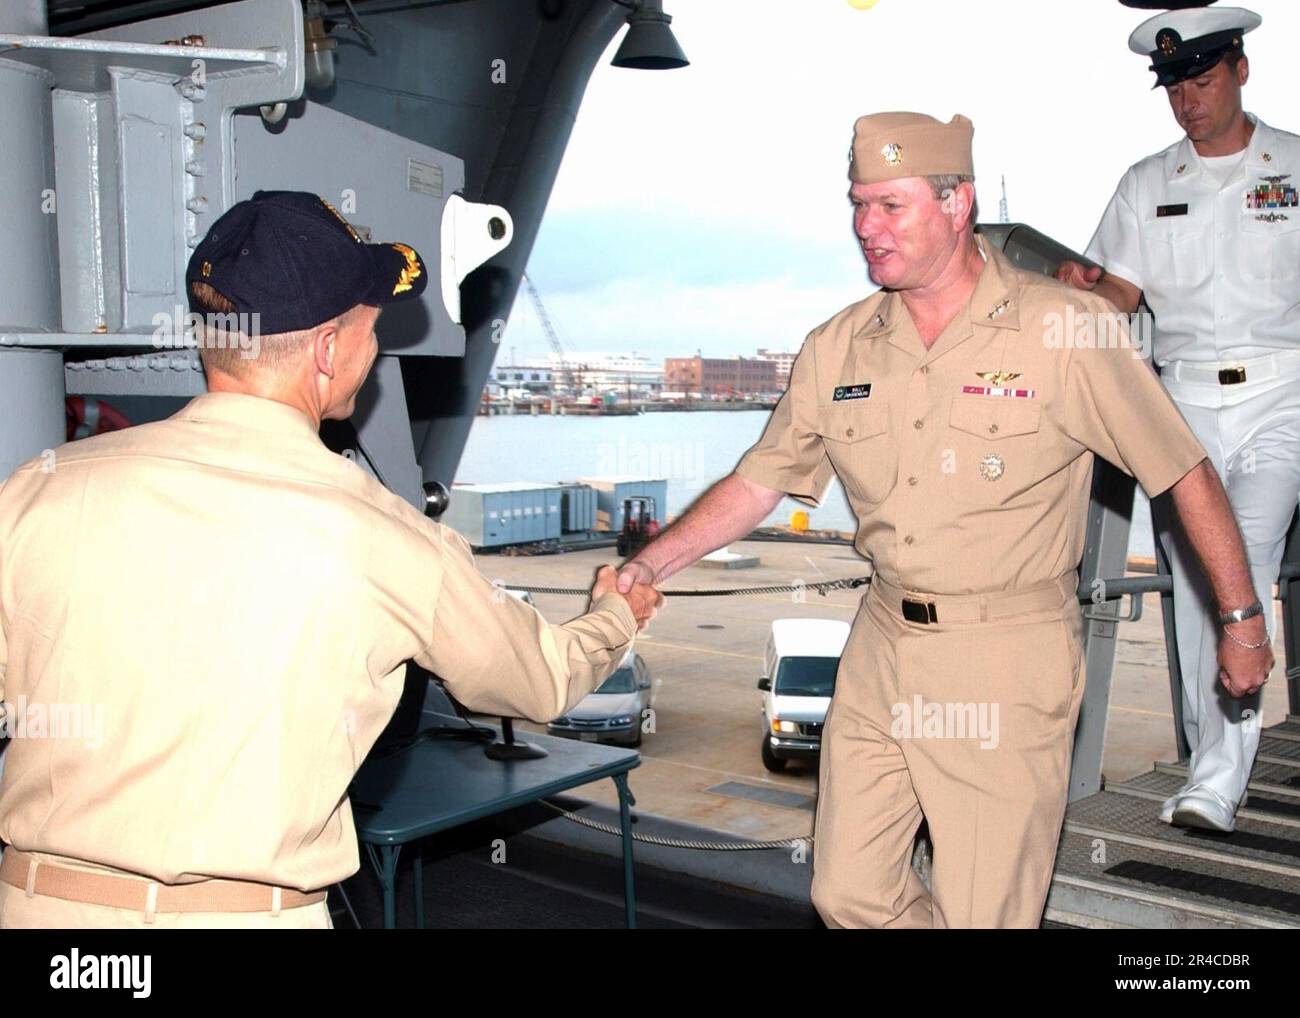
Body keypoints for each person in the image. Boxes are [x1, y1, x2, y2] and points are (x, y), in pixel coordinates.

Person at [616, 112, 1272, 928]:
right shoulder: (840, 345)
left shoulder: (1064, 329)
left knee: (983, 913)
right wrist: (653, 563)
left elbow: (1183, 471)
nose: (865, 227)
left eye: (890, 206)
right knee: (845, 890)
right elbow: (759, 482)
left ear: (957, 203)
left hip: (1006, 653)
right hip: (883, 644)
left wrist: (1241, 620)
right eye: (857, 204)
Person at [0, 190, 661, 929]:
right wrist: (614, 615)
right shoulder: (381, 534)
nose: (374, 351)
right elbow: (538, 679)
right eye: (370, 331)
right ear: (325, 351)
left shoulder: (40, 488)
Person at [1058, 5, 1298, 833]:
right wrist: (1087, 294)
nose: (1187, 102)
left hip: (1283, 397)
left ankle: (1217, 780)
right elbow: (1119, 293)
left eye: (1201, 81)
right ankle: (1210, 758)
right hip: (1180, 402)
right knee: (1200, 582)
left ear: (1239, 70)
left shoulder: (1295, 167)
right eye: (1174, 89)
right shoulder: (1146, 183)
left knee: (1246, 554)